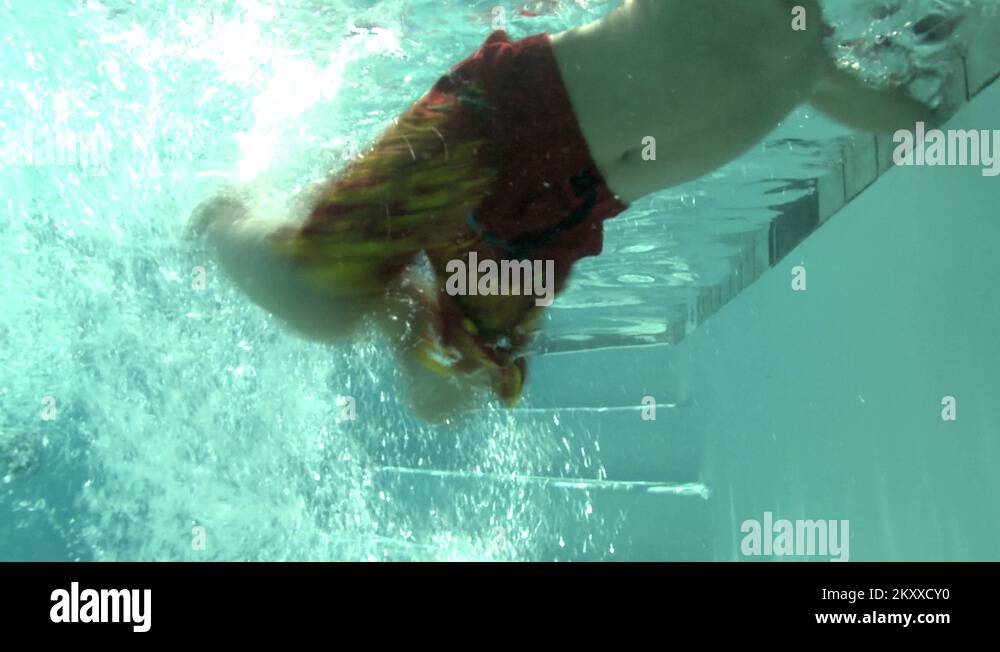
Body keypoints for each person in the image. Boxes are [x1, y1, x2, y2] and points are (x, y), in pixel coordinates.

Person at [188, 0, 939, 422]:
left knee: (441, 394)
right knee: (312, 302)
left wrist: (937, 127)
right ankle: (216, 212)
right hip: (495, 128)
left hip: (553, 229)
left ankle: (395, 309)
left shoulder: (813, 61)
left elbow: (904, 115)